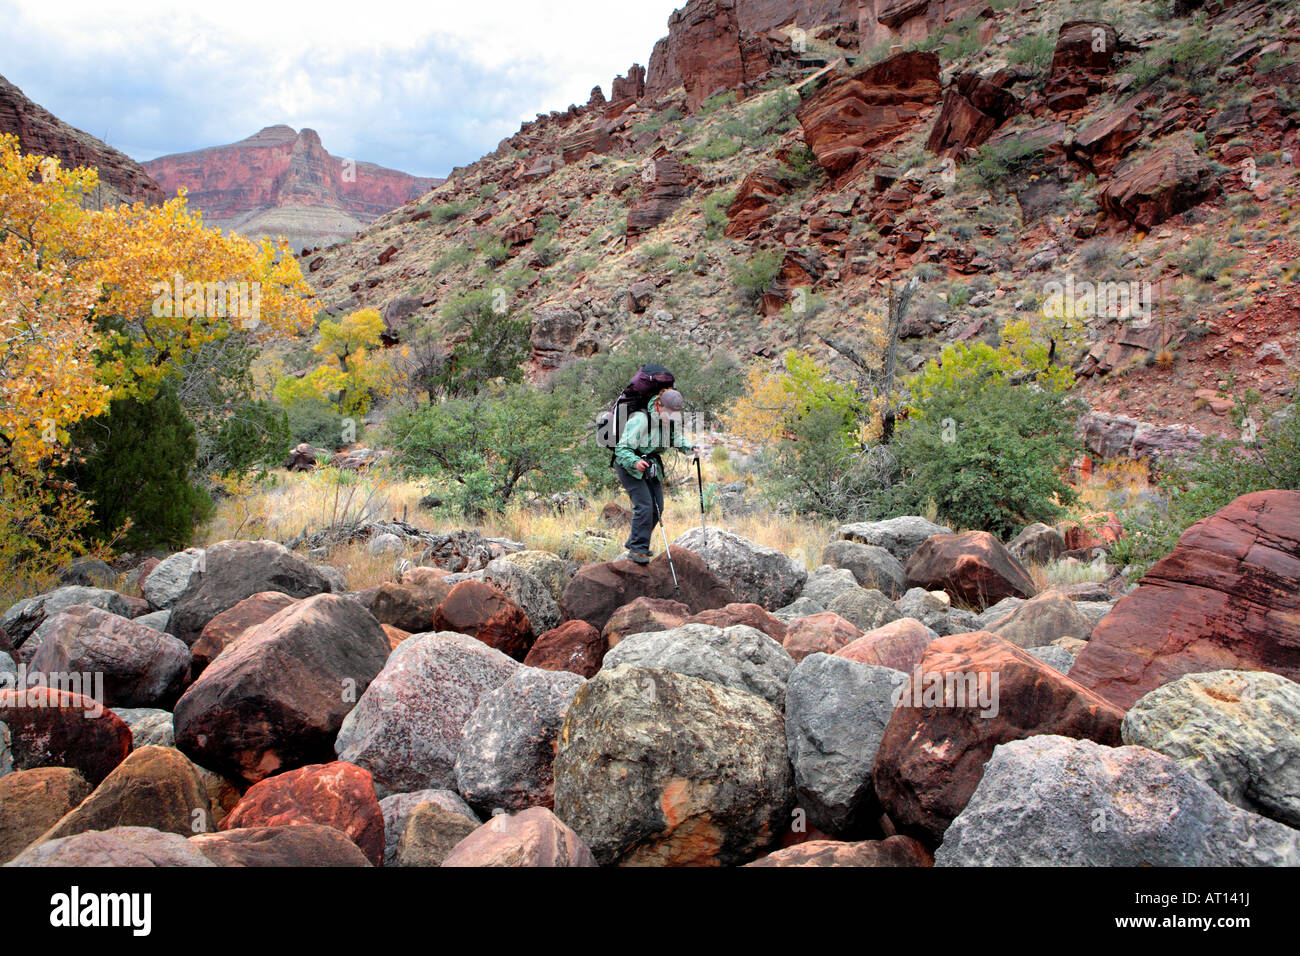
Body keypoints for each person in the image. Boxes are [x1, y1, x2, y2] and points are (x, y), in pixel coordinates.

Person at [613, 388, 699, 564]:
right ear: (659, 405)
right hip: (629, 464)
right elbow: (621, 449)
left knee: (657, 506)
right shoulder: (641, 420)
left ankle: (634, 540)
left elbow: (675, 438)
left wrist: (690, 448)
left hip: (650, 464)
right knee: (644, 505)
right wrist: (635, 462)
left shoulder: (668, 421)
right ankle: (638, 550)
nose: (671, 417)